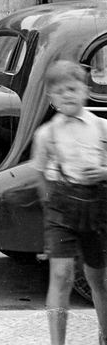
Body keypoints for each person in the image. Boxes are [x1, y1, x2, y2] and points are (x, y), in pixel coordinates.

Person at [31, 59, 107, 345]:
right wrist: (50, 204)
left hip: (96, 209)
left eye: (73, 89)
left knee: (98, 279)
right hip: (61, 211)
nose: (67, 95)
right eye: (59, 91)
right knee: (61, 276)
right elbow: (39, 174)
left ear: (85, 90)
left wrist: (103, 172)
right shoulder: (46, 134)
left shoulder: (101, 127)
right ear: (51, 98)